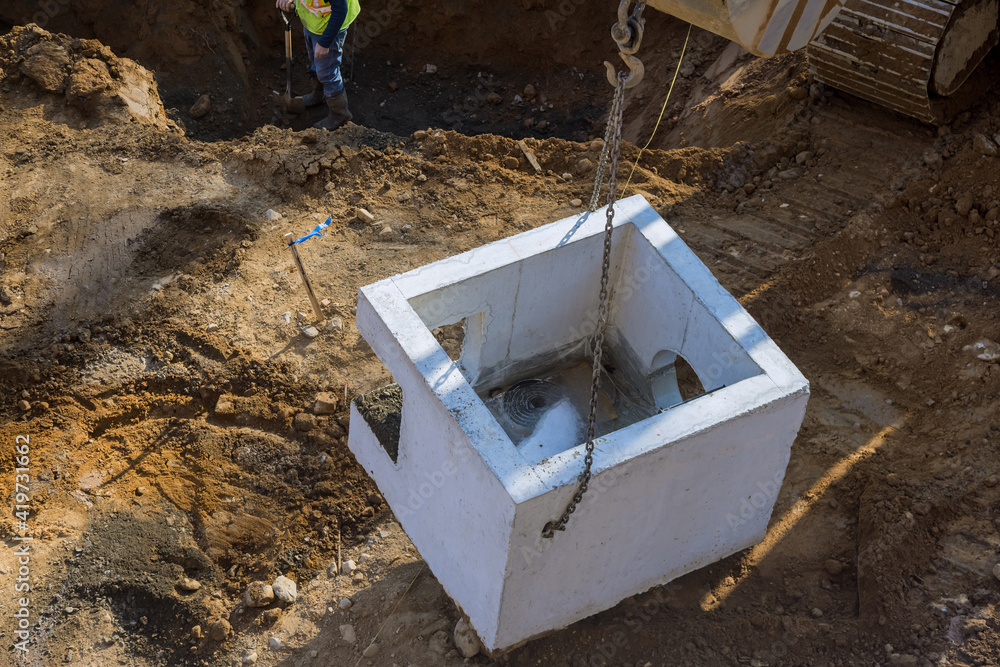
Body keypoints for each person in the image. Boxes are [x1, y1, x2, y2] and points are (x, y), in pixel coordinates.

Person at [276, 0, 360, 130]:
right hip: (312, 21)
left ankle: (340, 115)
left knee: (327, 72)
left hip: (330, 26)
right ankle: (319, 95)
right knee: (316, 61)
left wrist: (325, 43)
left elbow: (340, 11)